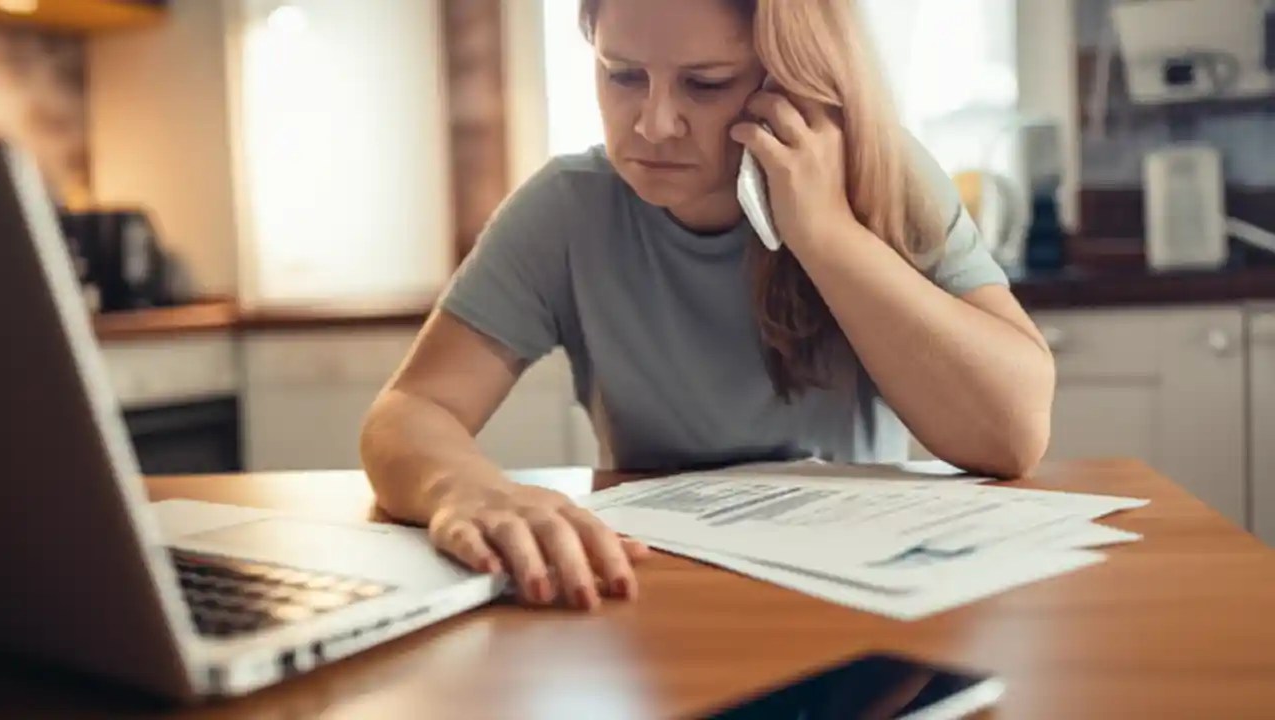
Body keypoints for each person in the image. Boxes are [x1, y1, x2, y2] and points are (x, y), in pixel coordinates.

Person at [360, 0, 1055, 612]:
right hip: (656, 590)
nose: (655, 123)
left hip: (855, 593)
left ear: (792, 85)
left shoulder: (883, 176)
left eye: (706, 83)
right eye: (623, 74)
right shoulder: (568, 209)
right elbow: (412, 411)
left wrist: (824, 233)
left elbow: (1012, 434)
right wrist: (468, 490)